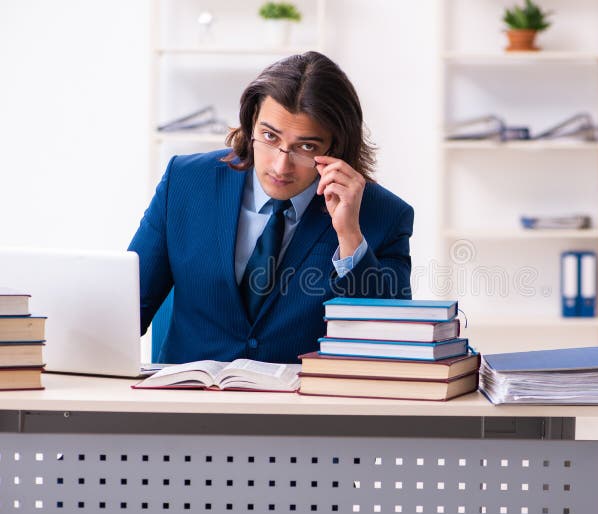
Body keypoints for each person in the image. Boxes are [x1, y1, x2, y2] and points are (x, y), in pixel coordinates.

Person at [129, 51, 414, 364]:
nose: (281, 166)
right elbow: (127, 311)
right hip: (189, 391)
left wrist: (349, 236)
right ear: (251, 122)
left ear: (336, 147)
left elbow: (391, 344)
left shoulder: (384, 216)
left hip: (307, 395)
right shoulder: (186, 182)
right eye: (269, 136)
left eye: (306, 147)